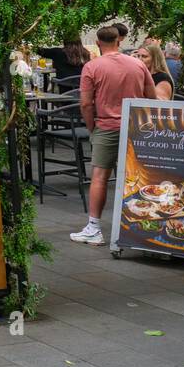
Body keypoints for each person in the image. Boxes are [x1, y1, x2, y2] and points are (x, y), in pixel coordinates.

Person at [71, 26, 159, 246]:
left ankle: (94, 228)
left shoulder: (92, 66)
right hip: (135, 128)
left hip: (106, 126)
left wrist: (92, 128)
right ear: (119, 41)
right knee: (137, 177)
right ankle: (141, 227)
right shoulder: (137, 64)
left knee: (99, 176)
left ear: (98, 43)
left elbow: (85, 103)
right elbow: (152, 97)